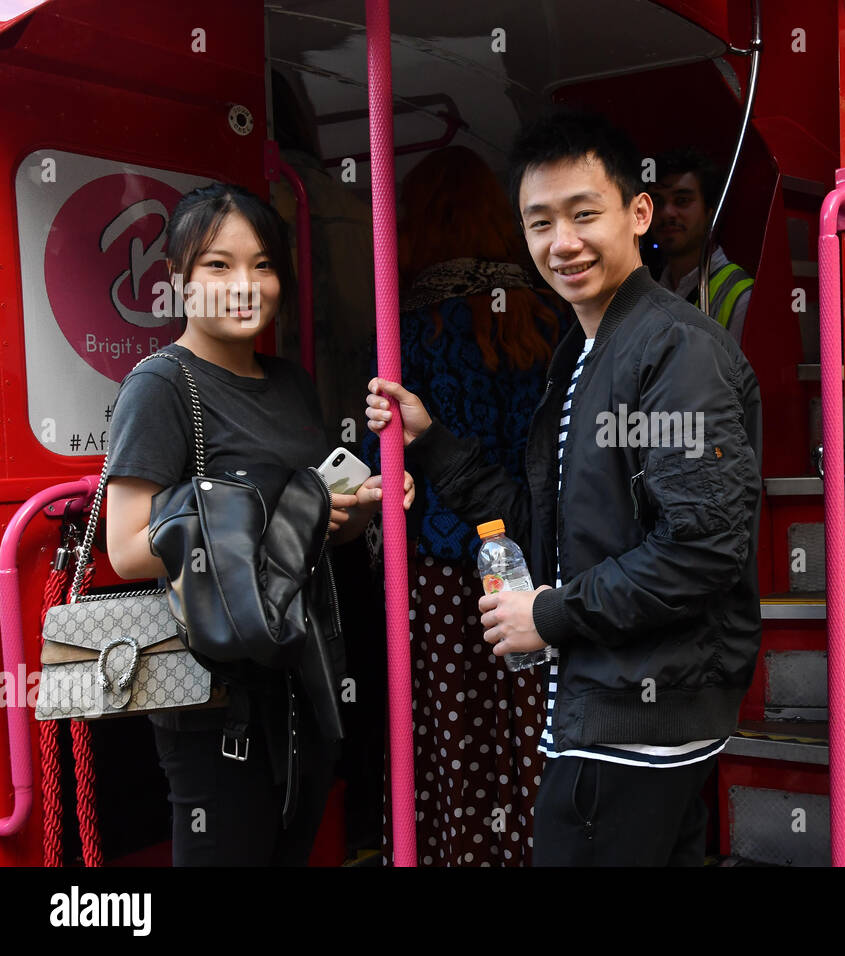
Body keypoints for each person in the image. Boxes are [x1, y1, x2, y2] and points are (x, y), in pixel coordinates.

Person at [365, 111, 763, 866]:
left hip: (636, 724)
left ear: (637, 213)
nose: (562, 242)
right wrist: (434, 442)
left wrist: (549, 613)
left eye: (585, 214)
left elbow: (701, 547)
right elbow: (543, 526)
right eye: (539, 221)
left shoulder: (674, 353)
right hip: (612, 708)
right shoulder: (584, 351)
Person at [103, 183, 413, 866]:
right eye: (218, 265)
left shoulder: (289, 382)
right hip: (217, 695)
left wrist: (357, 507)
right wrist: (281, 512)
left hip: (302, 677)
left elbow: (311, 542)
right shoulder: (162, 384)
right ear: (179, 280)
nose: (245, 285)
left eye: (264, 264)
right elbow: (126, 548)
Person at [359, 145, 566, 866]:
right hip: (533, 561)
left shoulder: (404, 332)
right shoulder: (548, 318)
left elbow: (380, 453)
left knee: (454, 742)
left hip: (441, 571)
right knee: (530, 729)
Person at [647, 146, 754, 342]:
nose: (667, 212)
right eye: (658, 201)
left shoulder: (742, 296)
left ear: (710, 213)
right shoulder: (648, 289)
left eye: (682, 200)